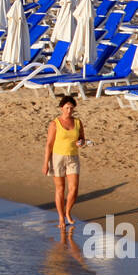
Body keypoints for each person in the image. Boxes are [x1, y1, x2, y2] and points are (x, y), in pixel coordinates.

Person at [44, 95, 88, 230]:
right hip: (57, 158)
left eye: (71, 108)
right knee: (60, 189)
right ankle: (61, 217)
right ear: (61, 108)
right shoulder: (55, 124)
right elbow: (49, 144)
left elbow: (82, 139)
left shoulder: (77, 122)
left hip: (73, 158)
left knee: (74, 188)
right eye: (67, 108)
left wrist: (80, 143)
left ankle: (67, 212)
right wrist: (45, 163)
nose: (69, 110)